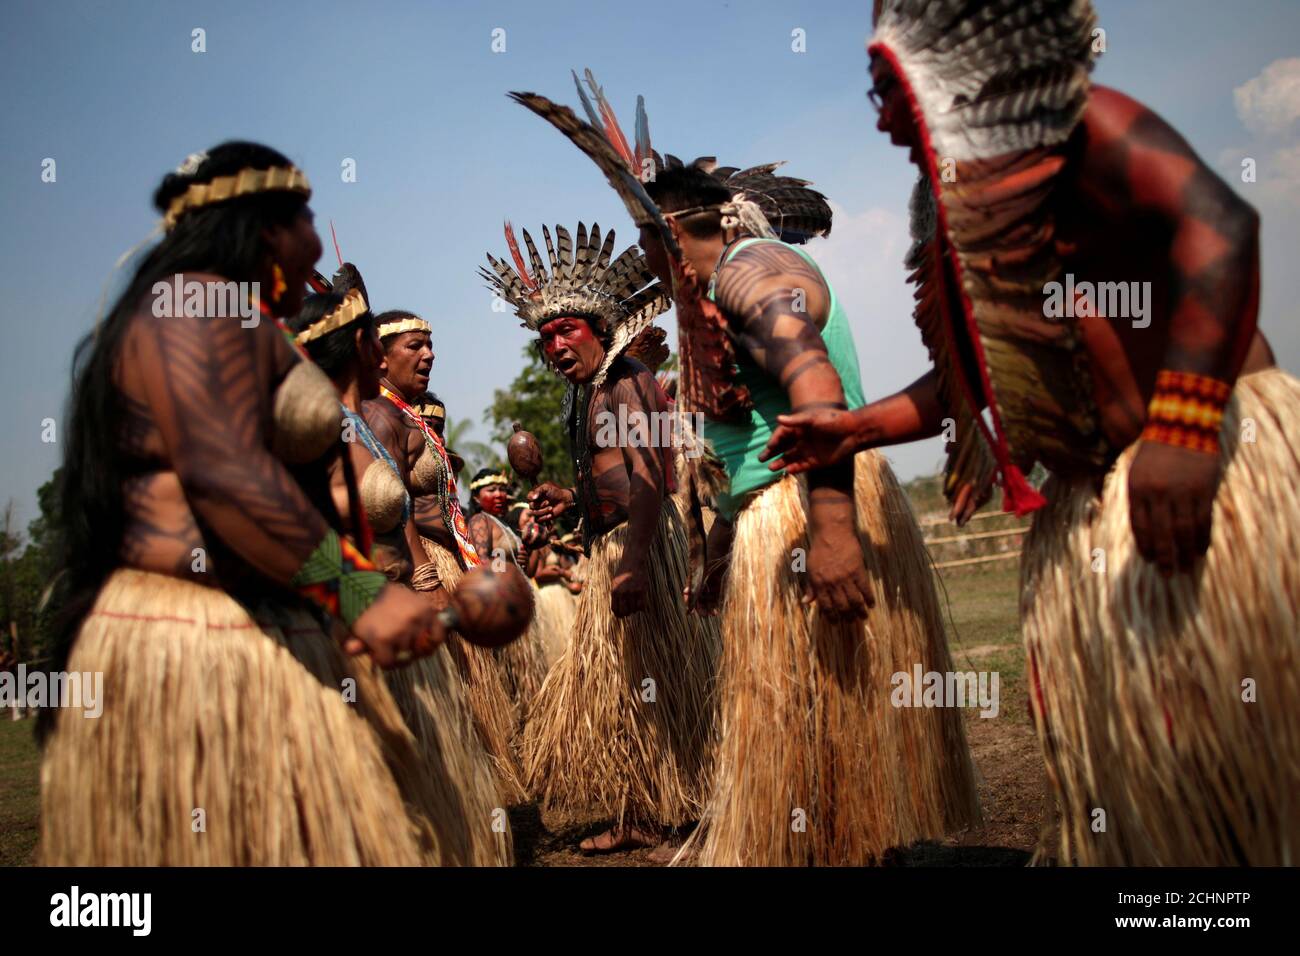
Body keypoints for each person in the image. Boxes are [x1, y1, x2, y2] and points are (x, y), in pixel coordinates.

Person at [763, 0, 1300, 865]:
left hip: (1211, 472)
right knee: (1155, 797)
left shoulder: (1082, 128)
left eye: (882, 82)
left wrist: (1187, 426)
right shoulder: (950, 206)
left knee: (1258, 777)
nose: (875, 109)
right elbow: (963, 377)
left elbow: (1222, 228)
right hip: (1099, 503)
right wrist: (856, 429)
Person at [512, 74, 980, 865]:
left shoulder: (749, 273)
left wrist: (830, 533)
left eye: (654, 247)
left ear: (679, 229)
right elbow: (751, 431)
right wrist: (727, 548)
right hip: (779, 510)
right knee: (815, 737)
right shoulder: (716, 287)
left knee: (820, 723)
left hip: (808, 507)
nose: (653, 274)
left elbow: (815, 388)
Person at [40, 142, 447, 865]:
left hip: (254, 630)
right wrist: (357, 592)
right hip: (192, 640)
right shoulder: (197, 308)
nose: (318, 240)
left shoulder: (234, 319)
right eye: (307, 219)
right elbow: (224, 476)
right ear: (269, 231)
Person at [484, 221, 720, 854]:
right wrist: (571, 495)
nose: (555, 344)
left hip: (637, 545)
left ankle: (650, 808)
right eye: (544, 337)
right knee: (639, 689)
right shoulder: (593, 390)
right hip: (620, 541)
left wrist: (633, 563)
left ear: (598, 329)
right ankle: (667, 799)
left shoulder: (619, 380)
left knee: (634, 690)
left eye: (566, 330)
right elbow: (618, 470)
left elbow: (646, 475)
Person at [289, 278, 510, 866]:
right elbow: (296, 531)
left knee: (426, 762)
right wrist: (412, 581)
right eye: (410, 345)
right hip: (358, 625)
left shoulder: (361, 424)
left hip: (394, 618)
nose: (429, 356)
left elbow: (398, 512)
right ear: (368, 350)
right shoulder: (318, 425)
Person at [364, 313, 524, 799]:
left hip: (449, 560)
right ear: (381, 356)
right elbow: (393, 503)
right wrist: (426, 576)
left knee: (470, 690)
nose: (428, 355)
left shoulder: (416, 414)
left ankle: (475, 791)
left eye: (430, 346)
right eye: (415, 346)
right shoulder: (378, 416)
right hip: (419, 566)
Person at [466, 468, 550, 718]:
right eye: (491, 490)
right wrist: (505, 564)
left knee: (530, 679)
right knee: (514, 682)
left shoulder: (505, 527)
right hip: (502, 606)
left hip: (518, 605)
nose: (500, 494)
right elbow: (480, 564)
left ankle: (533, 729)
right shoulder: (480, 521)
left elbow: (528, 570)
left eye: (502, 489)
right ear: (476, 498)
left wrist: (526, 552)